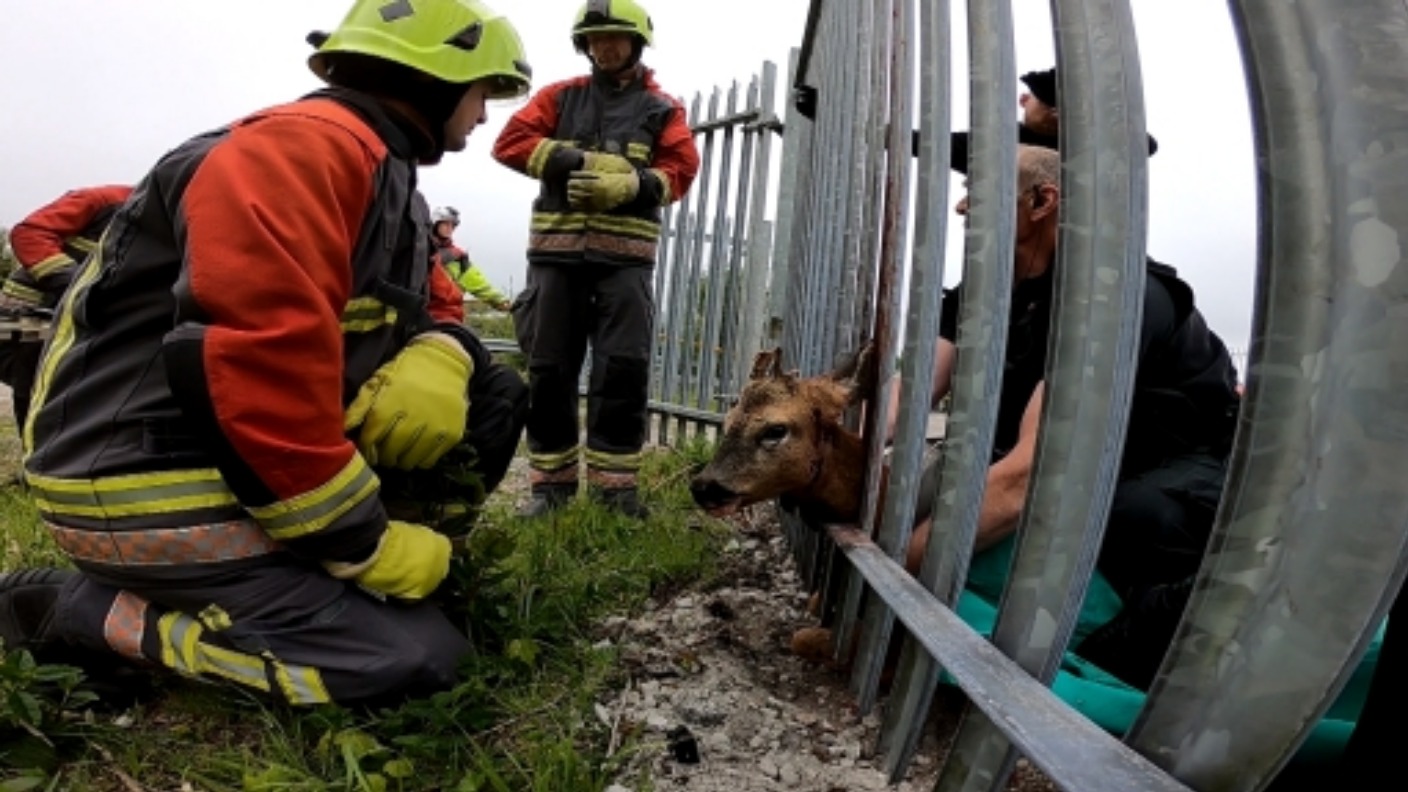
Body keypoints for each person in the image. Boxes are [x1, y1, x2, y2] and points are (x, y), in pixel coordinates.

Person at [0, 0, 533, 706]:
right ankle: (70, 610)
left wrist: (444, 348)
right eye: (483, 92)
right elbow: (248, 362)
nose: (486, 116)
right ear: (438, 74)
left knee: (494, 393)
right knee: (406, 664)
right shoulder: (301, 151)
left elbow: (429, 301)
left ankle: (354, 585)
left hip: (225, 456)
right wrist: (360, 542)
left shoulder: (381, 173)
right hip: (146, 472)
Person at [890, 145, 1240, 690]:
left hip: (1178, 483)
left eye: (978, 194)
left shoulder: (1116, 298)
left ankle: (1123, 673)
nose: (961, 208)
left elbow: (1027, 481)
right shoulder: (982, 293)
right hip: (1086, 475)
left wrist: (894, 570)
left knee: (1130, 521)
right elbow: (908, 395)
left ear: (1040, 202)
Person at [492, 0, 700, 520]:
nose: (605, 47)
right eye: (595, 39)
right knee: (549, 371)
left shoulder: (662, 109)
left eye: (615, 38)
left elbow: (681, 168)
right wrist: (579, 161)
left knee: (623, 371)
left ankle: (616, 493)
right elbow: (509, 142)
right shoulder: (558, 97)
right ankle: (550, 489)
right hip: (556, 259)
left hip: (626, 265)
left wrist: (633, 184)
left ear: (636, 43)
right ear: (583, 45)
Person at [0, 185, 133, 432]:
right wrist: (77, 284)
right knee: (39, 385)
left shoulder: (176, 227)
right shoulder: (104, 200)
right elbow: (29, 233)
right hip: (24, 318)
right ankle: (38, 461)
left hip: (78, 320)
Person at [430, 205, 512, 311]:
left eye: (452, 225)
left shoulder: (457, 256)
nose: (450, 229)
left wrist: (501, 301)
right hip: (417, 310)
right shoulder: (419, 250)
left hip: (445, 312)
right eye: (446, 224)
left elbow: (478, 283)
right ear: (435, 225)